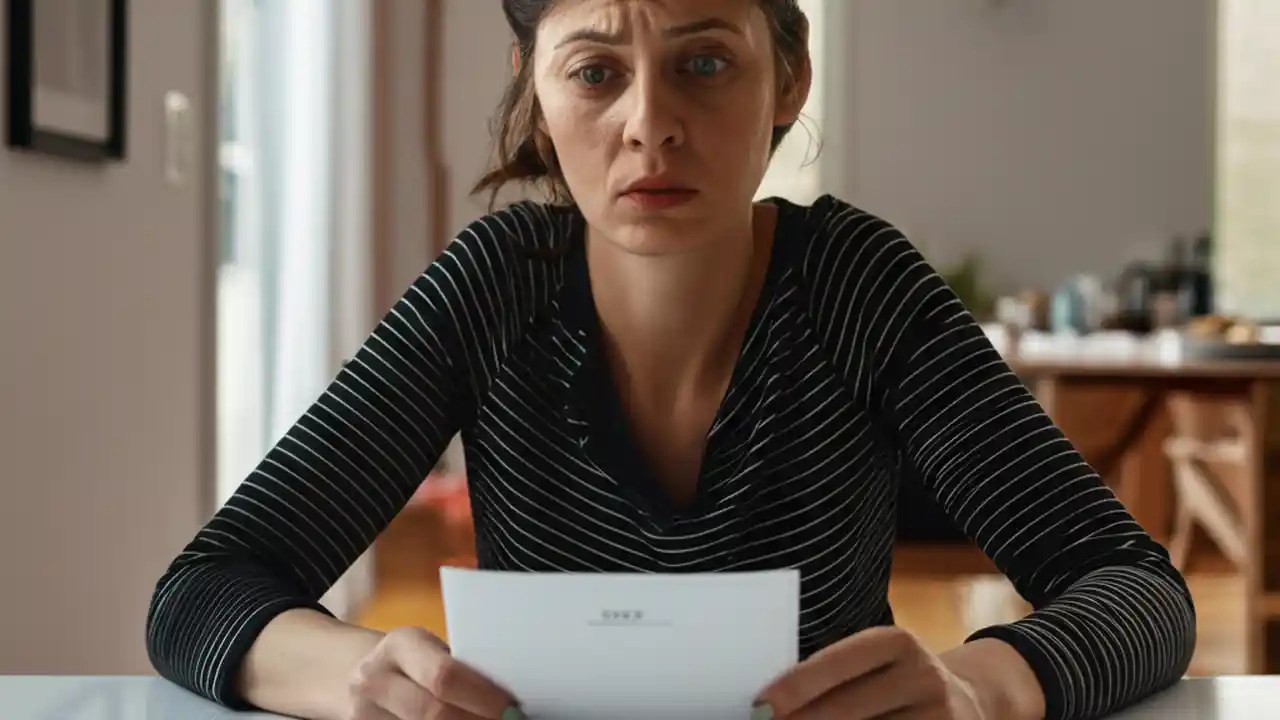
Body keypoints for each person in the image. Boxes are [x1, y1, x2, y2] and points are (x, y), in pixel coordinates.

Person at [146, 1, 1196, 718]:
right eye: (595, 72)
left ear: (787, 79)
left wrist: (978, 686)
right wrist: (359, 675)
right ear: (537, 94)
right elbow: (201, 591)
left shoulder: (855, 285)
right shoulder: (493, 285)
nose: (649, 126)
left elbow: (1136, 589)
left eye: (703, 63)